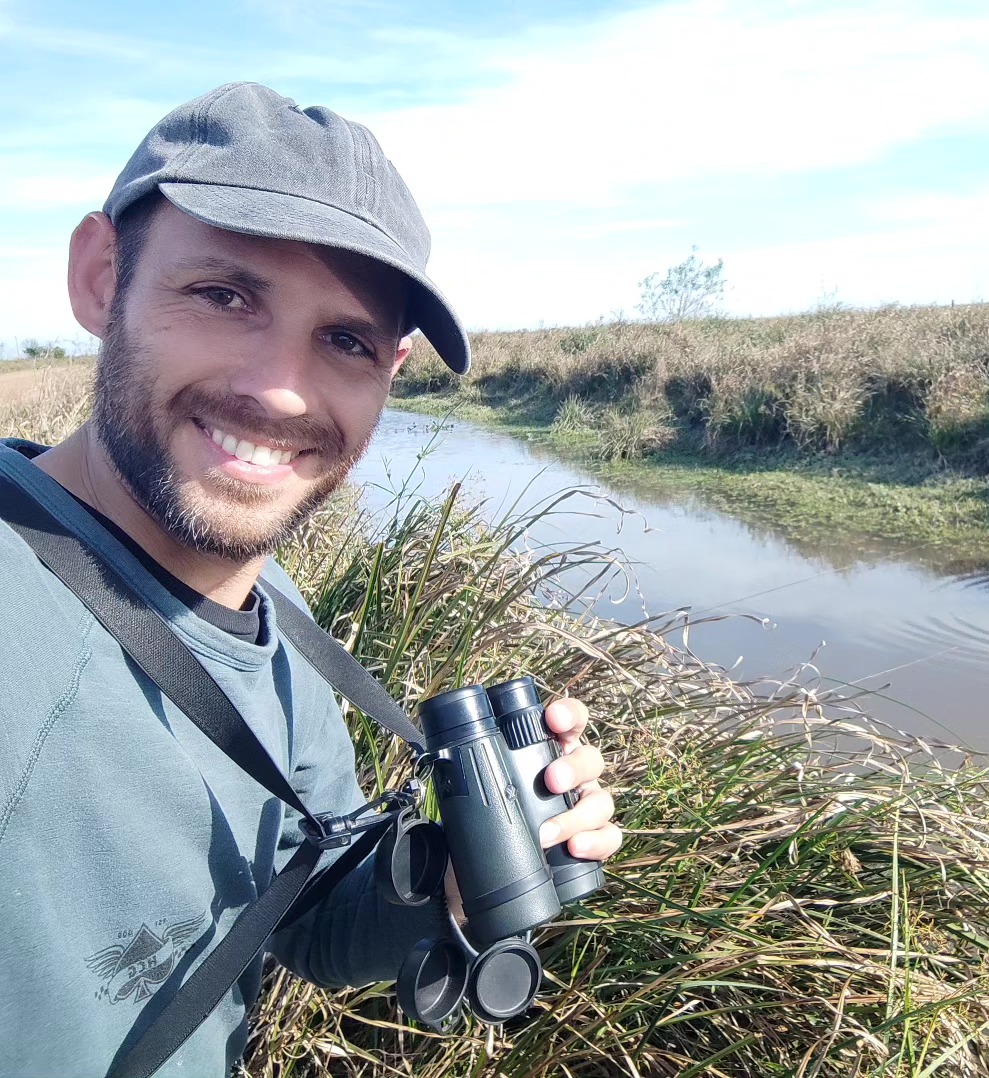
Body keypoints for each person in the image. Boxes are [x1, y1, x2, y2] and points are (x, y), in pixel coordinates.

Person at [0, 82, 622, 1076]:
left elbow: (307, 921)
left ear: (391, 372)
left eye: (345, 341)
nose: (281, 391)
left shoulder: (270, 598)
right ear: (101, 277)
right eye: (225, 295)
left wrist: (454, 880)